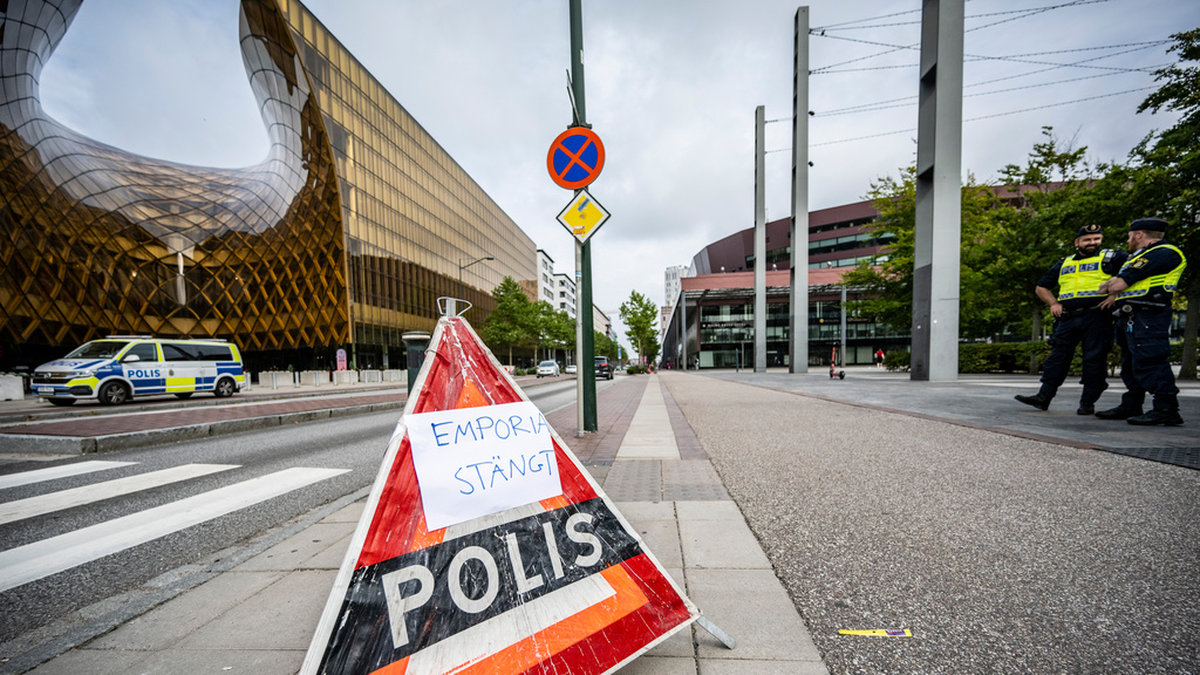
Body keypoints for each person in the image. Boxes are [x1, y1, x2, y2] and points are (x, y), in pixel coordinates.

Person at [1015, 224, 1127, 415]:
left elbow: (1131, 276)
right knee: (1057, 359)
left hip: (1097, 315)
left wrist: (1114, 297)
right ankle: (1043, 397)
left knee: (1094, 360)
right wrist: (1053, 303)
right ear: (1077, 242)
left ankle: (1087, 402)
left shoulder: (1112, 258)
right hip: (1068, 316)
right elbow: (1041, 287)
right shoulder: (1064, 263)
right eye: (1087, 239)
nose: (1092, 243)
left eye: (1096, 239)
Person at [1094, 217, 1188, 426]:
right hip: (1132, 315)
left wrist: (1113, 284)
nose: (1128, 240)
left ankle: (1166, 409)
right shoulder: (1138, 256)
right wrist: (1111, 284)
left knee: (1151, 360)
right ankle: (1131, 404)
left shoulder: (1163, 253)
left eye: (1130, 236)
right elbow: (1108, 285)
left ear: (1139, 235)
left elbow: (1116, 284)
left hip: (1150, 315)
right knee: (1130, 363)